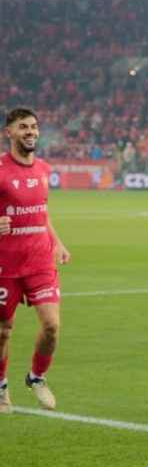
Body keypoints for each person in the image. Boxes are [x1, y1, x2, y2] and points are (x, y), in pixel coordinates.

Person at [0, 107, 70, 412]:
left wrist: (57, 242)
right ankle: (1, 385)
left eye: (34, 127)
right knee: (3, 331)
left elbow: (42, 212)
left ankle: (36, 376)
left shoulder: (43, 169)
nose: (30, 132)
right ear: (9, 133)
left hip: (40, 260)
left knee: (52, 326)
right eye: (23, 127)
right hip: (6, 264)